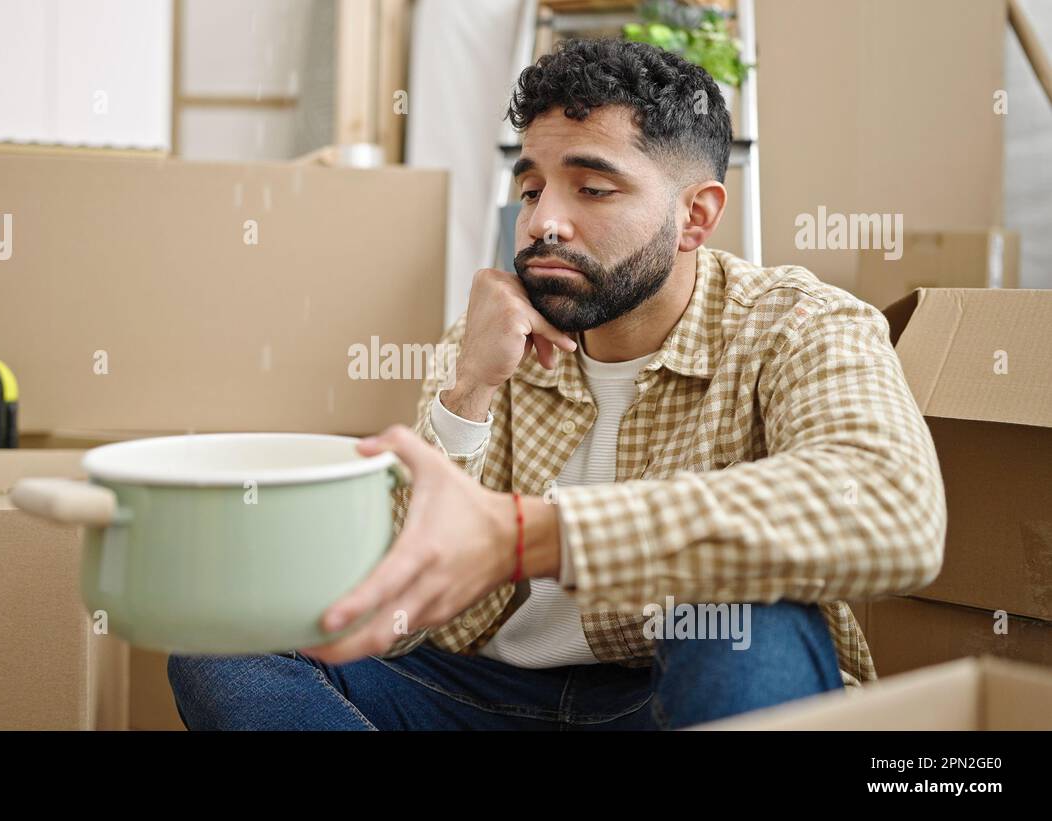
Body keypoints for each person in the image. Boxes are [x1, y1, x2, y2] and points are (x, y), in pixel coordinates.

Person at [167, 37, 946, 730]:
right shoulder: (486, 340)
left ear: (697, 217)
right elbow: (397, 615)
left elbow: (892, 505)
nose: (542, 221)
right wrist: (468, 386)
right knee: (226, 638)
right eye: (532, 186)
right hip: (478, 692)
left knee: (741, 616)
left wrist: (533, 535)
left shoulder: (797, 323)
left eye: (593, 189)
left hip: (669, 695)